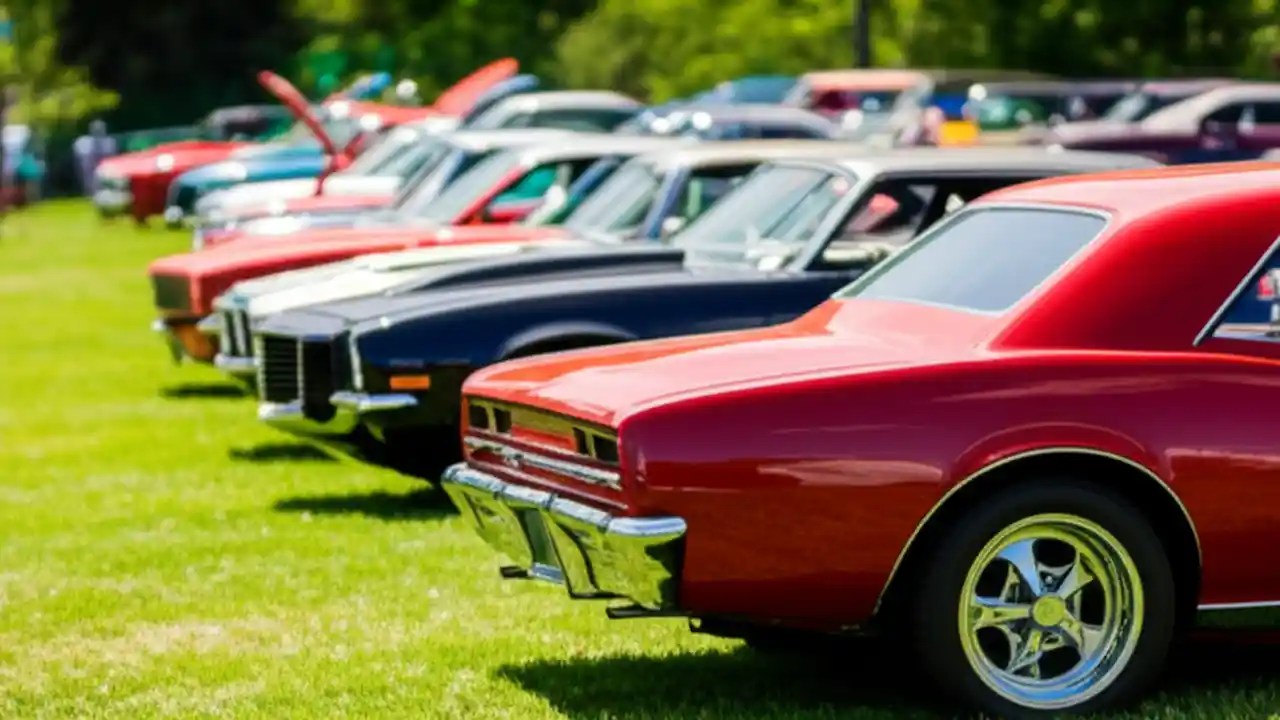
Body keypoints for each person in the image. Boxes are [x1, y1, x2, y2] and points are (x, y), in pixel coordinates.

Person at [73, 119, 117, 195]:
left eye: (100, 129)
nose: (98, 131)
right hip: (90, 169)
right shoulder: (83, 143)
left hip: (104, 168)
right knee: (90, 184)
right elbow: (79, 160)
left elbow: (112, 157)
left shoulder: (109, 142)